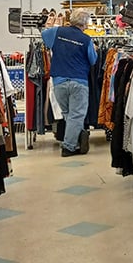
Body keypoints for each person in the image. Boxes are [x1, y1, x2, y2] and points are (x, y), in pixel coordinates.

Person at [41, 9, 97, 156]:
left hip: (59, 81)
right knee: (76, 115)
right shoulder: (86, 40)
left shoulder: (57, 31)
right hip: (78, 81)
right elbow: (93, 60)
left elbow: (44, 35)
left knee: (68, 113)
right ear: (85, 23)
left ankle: (76, 138)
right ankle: (68, 147)